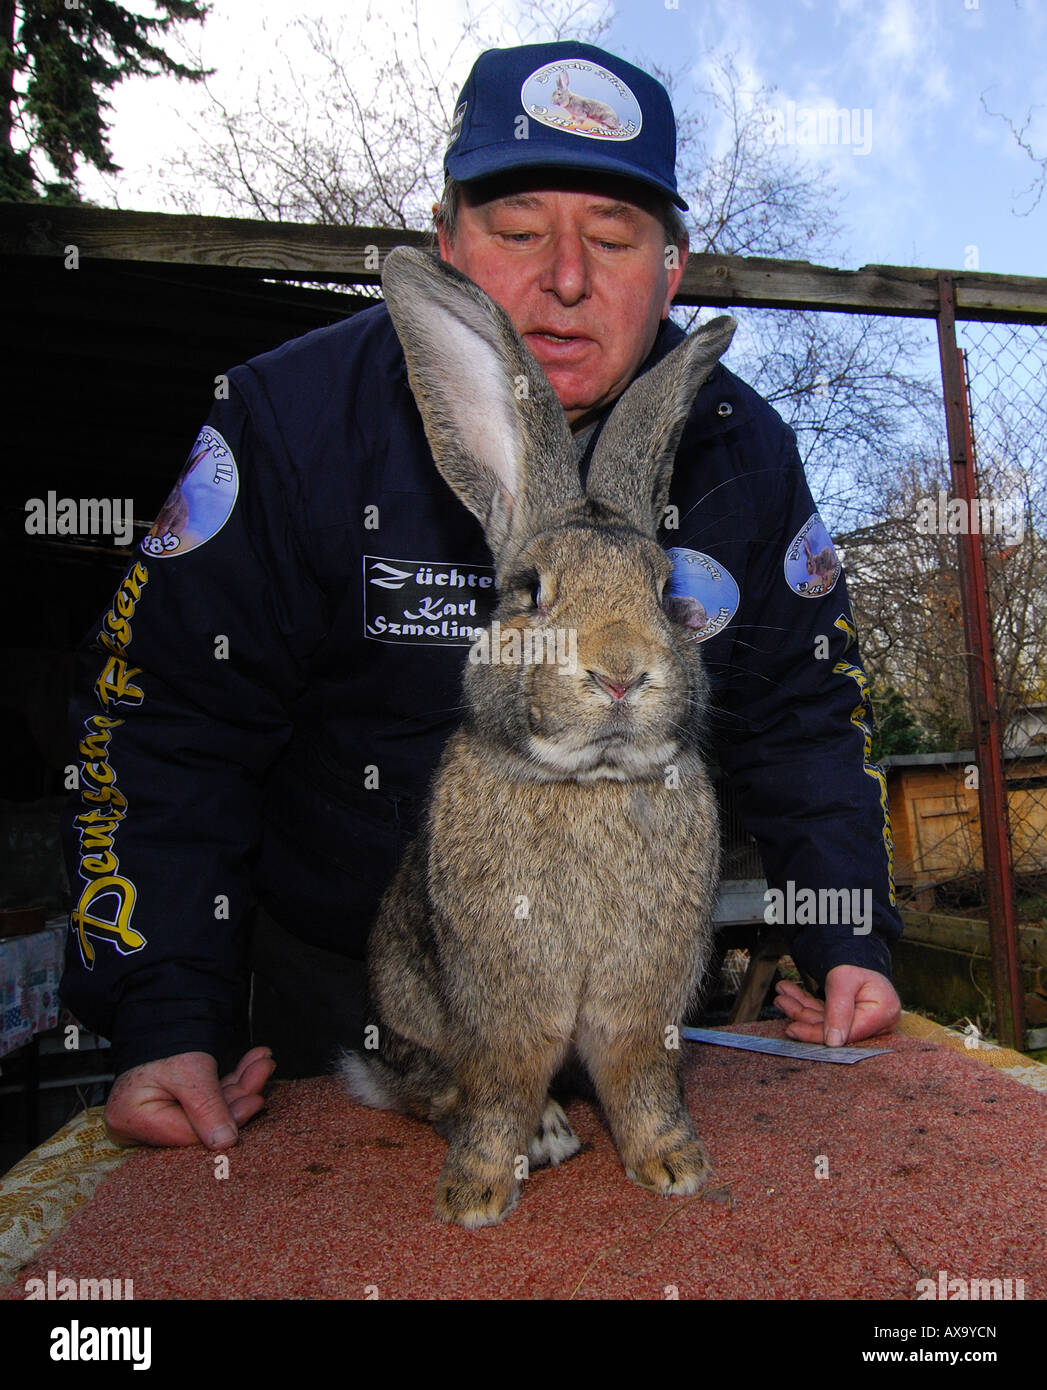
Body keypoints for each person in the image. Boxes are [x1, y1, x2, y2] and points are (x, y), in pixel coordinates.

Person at [61, 41, 902, 1151]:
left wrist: (849, 936)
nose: (565, 278)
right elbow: (166, 716)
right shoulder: (295, 423)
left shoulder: (741, 452)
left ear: (673, 270)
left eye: (613, 239)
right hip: (344, 997)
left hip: (628, 996)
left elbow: (806, 713)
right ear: (449, 244)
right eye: (515, 232)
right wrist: (164, 1007)